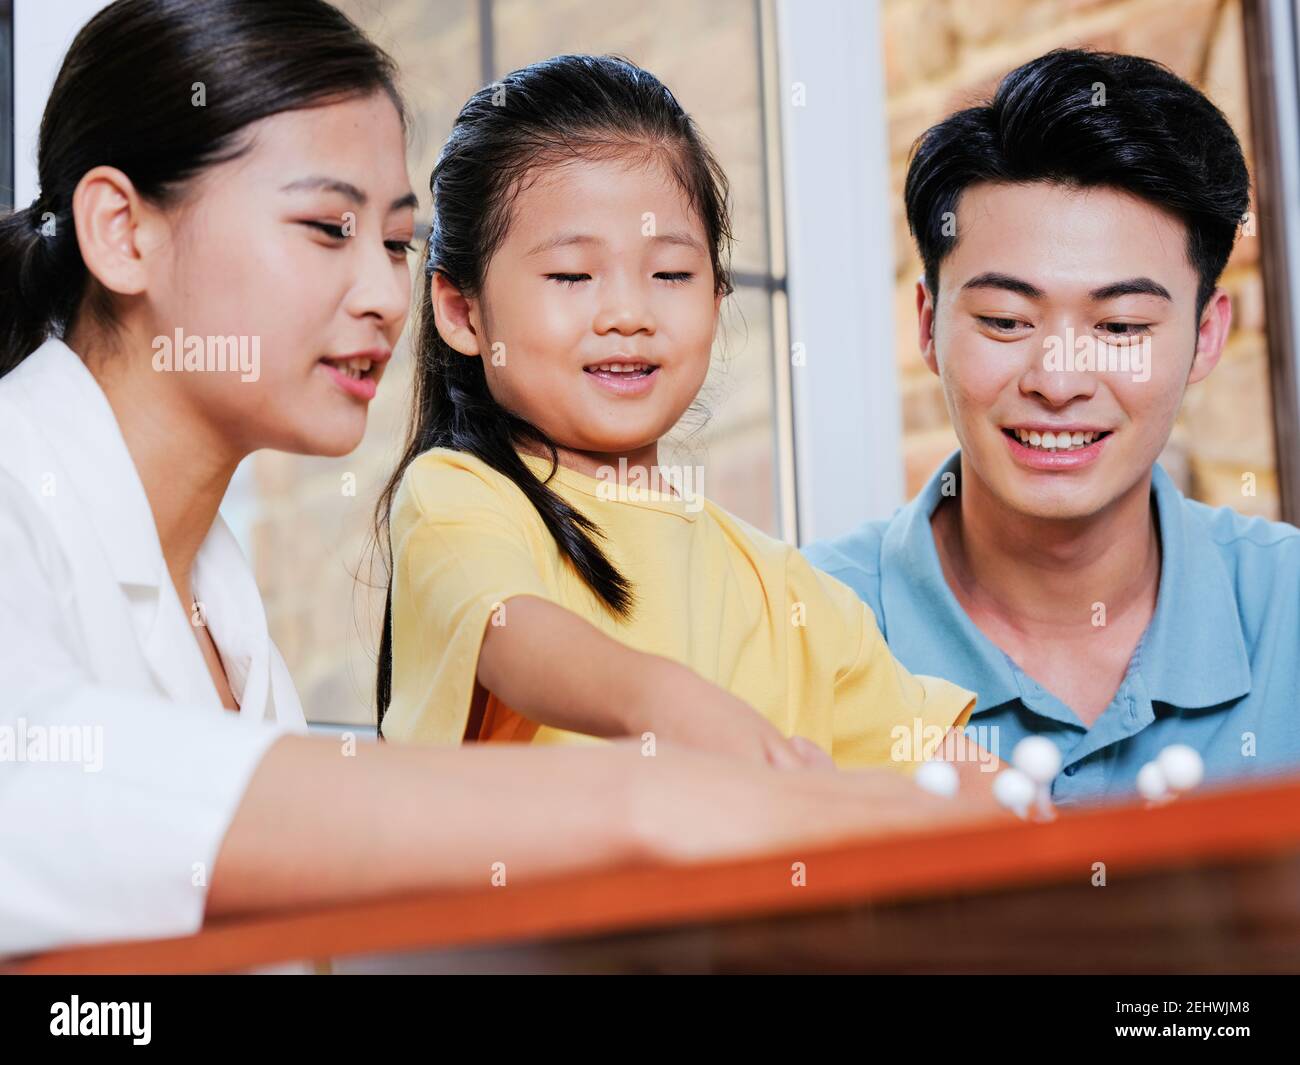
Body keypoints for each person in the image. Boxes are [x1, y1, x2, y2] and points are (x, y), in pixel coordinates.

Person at [0, 0, 1000, 960]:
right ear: (123, 230)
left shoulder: (225, 616)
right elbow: (35, 788)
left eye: (394, 242)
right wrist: (652, 802)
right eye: (325, 227)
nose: (382, 293)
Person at [374, 54, 989, 779]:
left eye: (670, 274)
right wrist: (669, 704)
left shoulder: (792, 594)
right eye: (571, 274)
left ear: (716, 301)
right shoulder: (457, 499)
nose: (629, 314)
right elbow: (514, 638)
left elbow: (963, 782)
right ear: (461, 311)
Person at [804, 49, 1300, 804]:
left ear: (1206, 336)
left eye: (1121, 325)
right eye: (1006, 320)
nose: (1058, 382)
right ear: (928, 326)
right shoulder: (801, 626)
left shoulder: (1287, 606)